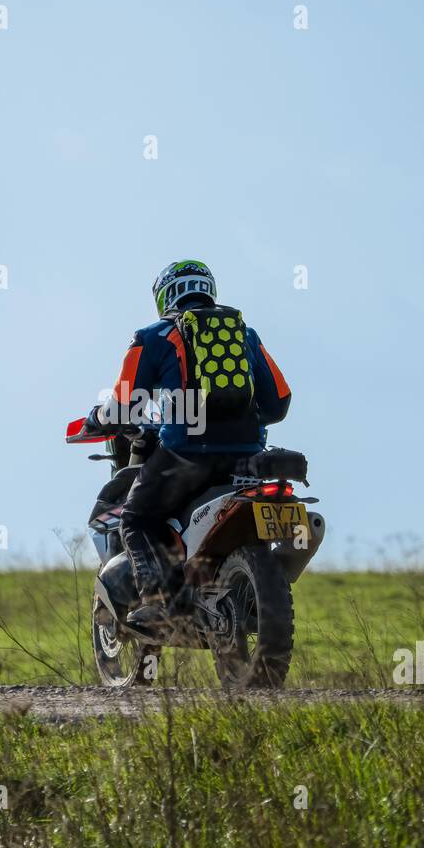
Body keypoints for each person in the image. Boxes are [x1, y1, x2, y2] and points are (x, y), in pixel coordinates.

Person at [85, 260, 291, 632]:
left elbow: (124, 406)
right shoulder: (245, 334)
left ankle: (158, 602)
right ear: (208, 289)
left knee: (135, 518)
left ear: (164, 295)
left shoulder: (153, 336)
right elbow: (279, 402)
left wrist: (97, 418)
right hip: (247, 459)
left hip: (185, 456)